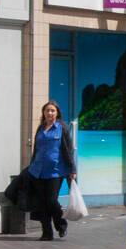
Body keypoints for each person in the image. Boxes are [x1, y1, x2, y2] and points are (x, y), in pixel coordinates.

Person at [28, 100, 76, 241]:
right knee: (42, 202)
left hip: (56, 171)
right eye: (47, 110)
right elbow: (36, 149)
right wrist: (31, 166)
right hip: (38, 170)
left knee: (51, 200)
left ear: (57, 113)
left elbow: (69, 150)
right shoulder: (41, 128)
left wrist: (72, 169)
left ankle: (61, 224)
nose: (50, 113)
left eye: (52, 111)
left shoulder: (62, 128)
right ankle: (46, 233)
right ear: (44, 113)